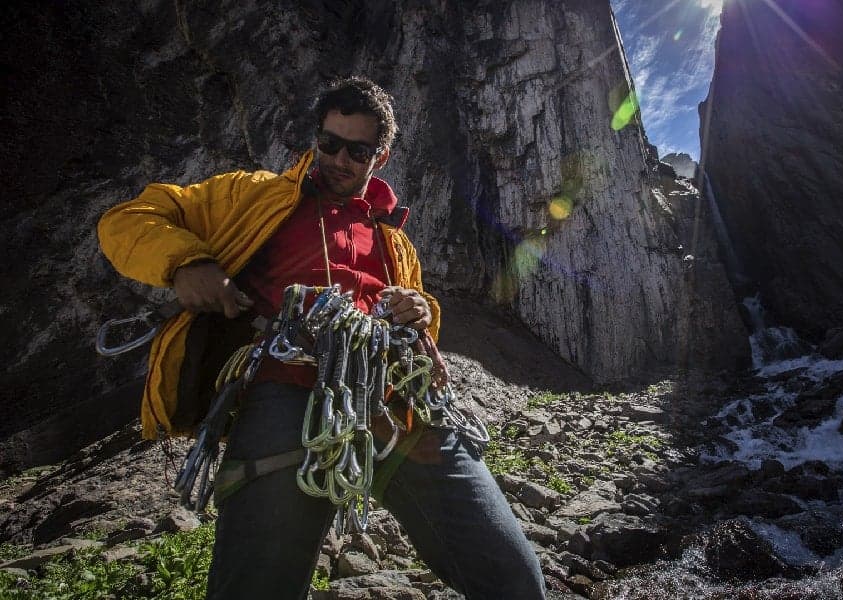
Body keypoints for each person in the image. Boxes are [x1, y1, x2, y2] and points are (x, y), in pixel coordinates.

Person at [98, 76, 546, 599]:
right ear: (316, 138)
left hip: (397, 398)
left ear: (380, 156)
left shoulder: (395, 241)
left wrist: (423, 311)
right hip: (285, 390)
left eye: (357, 150)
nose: (338, 159)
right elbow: (129, 217)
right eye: (329, 143)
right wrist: (187, 263)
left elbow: (420, 329)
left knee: (513, 577)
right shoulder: (252, 195)